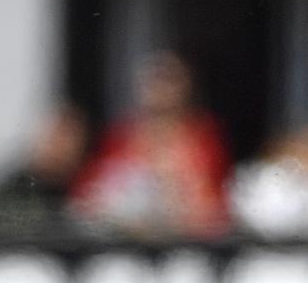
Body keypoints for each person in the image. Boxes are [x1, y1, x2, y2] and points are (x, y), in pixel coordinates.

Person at [72, 51, 227, 238]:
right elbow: (90, 194)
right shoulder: (120, 135)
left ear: (186, 86)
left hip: (184, 240)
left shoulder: (203, 136)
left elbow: (212, 202)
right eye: (153, 80)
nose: (159, 89)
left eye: (169, 80)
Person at [0, 102, 88, 237]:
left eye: (72, 142)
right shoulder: (17, 188)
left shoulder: (81, 187)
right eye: (58, 139)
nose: (64, 149)